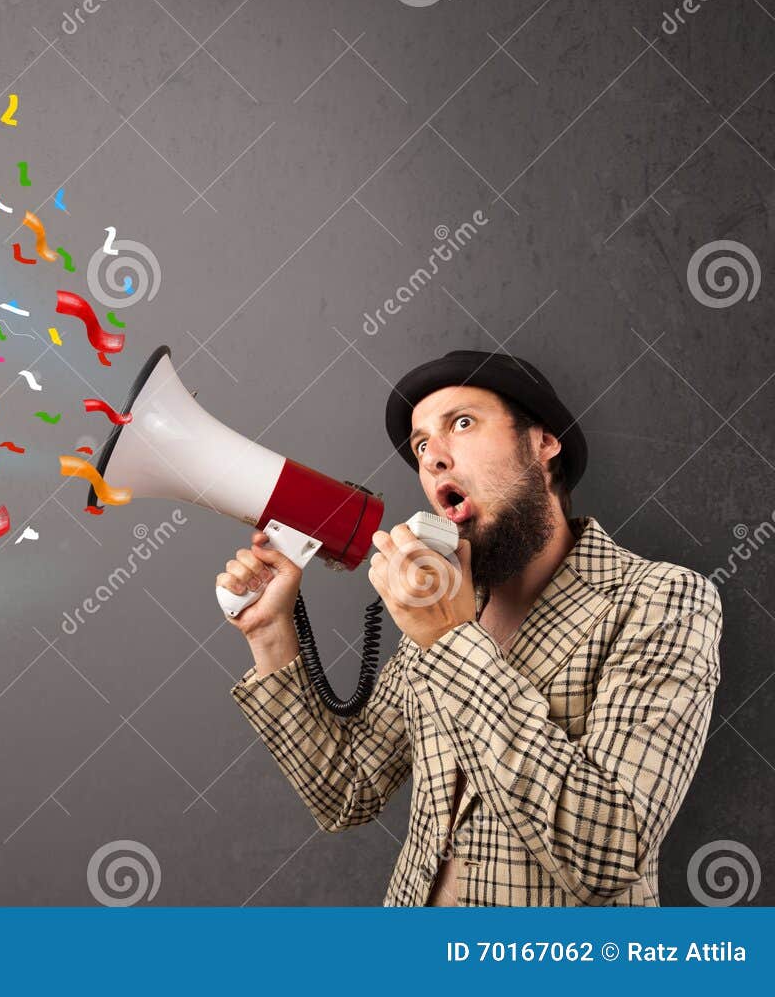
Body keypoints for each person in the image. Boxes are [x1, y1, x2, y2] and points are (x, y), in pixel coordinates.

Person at [220, 350, 722, 905]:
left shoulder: (663, 601)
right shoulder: (448, 606)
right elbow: (347, 791)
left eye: (462, 423)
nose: (434, 457)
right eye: (420, 445)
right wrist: (270, 633)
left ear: (543, 442)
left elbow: (607, 853)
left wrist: (448, 640)